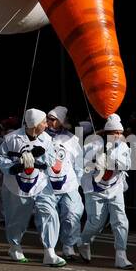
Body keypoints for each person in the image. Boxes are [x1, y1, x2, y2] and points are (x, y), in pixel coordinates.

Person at [78, 114, 134, 269]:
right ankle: (83, 242)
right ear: (107, 132)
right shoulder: (92, 145)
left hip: (115, 188)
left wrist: (112, 162)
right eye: (115, 132)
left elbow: (128, 164)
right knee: (96, 223)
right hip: (94, 189)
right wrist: (94, 163)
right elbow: (79, 163)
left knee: (121, 220)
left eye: (120, 132)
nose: (118, 135)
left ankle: (121, 255)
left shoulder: (123, 146)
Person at [0, 108, 49, 263]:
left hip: (40, 184)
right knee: (17, 219)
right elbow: (0, 156)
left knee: (48, 213)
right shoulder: (11, 138)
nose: (46, 125)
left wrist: (40, 159)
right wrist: (13, 166)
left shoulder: (46, 139)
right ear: (35, 124)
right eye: (44, 122)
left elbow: (51, 159)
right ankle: (15, 246)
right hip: (17, 186)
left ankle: (50, 250)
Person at [44, 106, 84, 258]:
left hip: (68, 184)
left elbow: (78, 163)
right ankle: (50, 248)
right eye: (48, 119)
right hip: (47, 185)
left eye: (53, 119)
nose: (49, 122)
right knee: (48, 217)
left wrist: (77, 182)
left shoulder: (71, 139)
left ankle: (68, 245)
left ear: (60, 121)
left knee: (72, 214)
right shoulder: (41, 137)